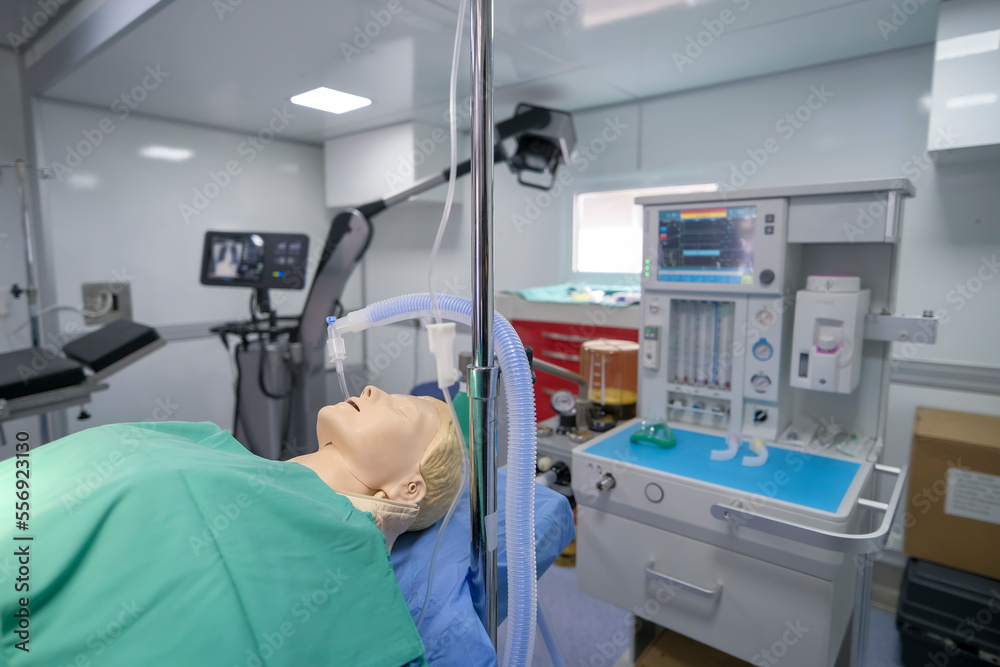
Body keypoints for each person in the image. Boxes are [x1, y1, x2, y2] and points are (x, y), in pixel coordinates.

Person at [0, 387, 461, 666]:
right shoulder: (213, 445)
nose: (374, 389)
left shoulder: (338, 552)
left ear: (409, 489)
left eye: (402, 410)